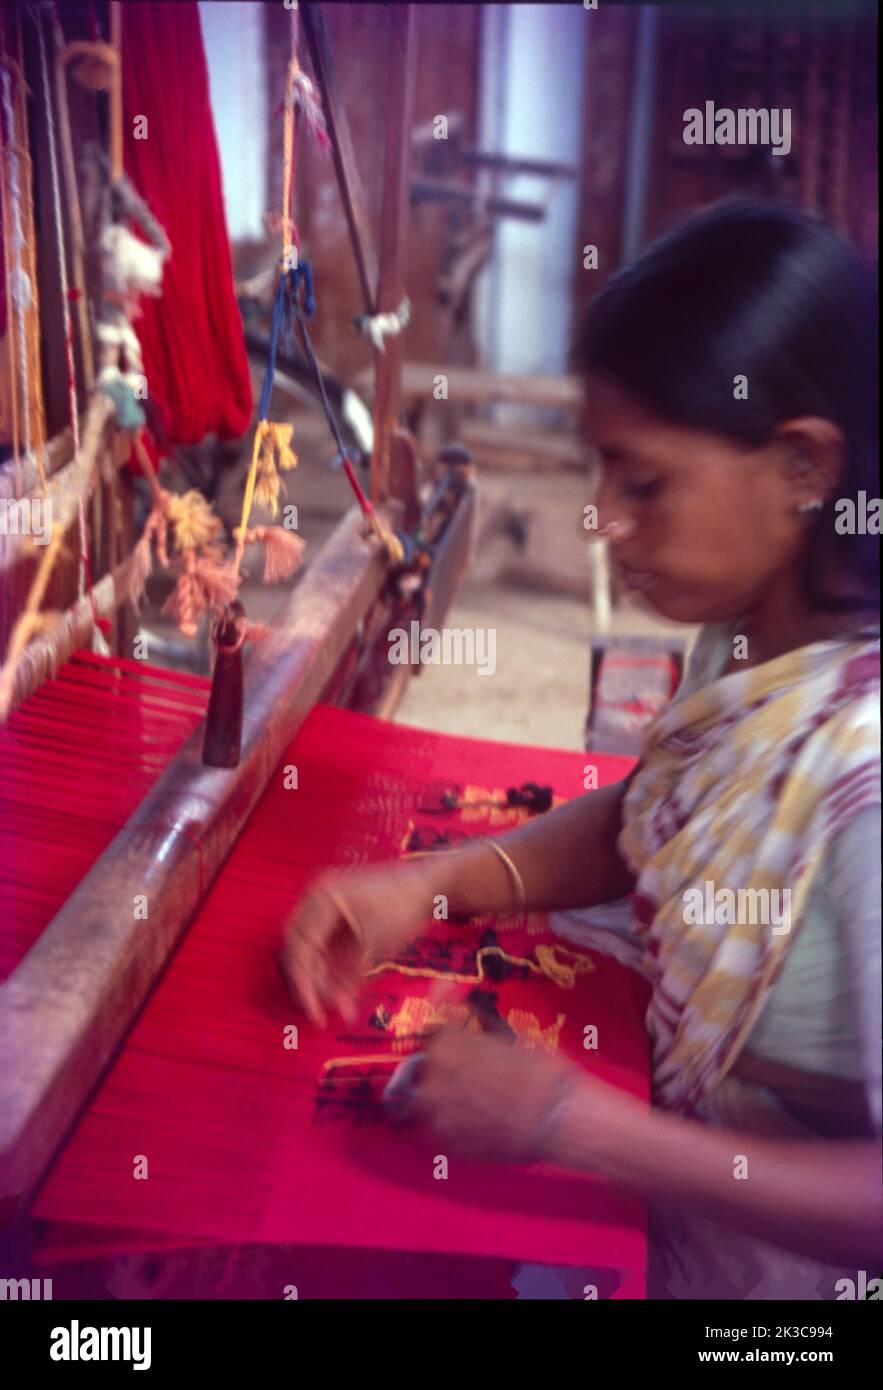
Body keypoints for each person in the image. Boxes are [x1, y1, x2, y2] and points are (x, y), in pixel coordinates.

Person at [281, 201, 881, 1299]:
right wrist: (434, 880)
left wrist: (572, 1121)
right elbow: (650, 813)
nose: (601, 518)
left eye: (640, 482)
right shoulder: (743, 648)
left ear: (802, 465)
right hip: (678, 1222)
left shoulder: (863, 780)